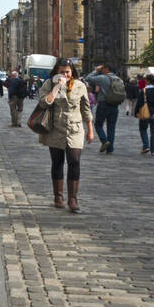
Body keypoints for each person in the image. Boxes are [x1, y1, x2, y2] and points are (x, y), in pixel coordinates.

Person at [37, 59, 95, 213]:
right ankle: (58, 196)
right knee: (57, 162)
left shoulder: (80, 85)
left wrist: (90, 129)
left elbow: (86, 109)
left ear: (72, 72)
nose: (65, 74)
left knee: (74, 161)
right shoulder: (48, 84)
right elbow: (44, 103)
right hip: (55, 128)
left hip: (75, 128)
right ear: (56, 72)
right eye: (62, 71)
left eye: (67, 72)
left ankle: (73, 198)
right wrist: (57, 86)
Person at [85, 62, 123, 155]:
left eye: (102, 69)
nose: (101, 71)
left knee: (98, 125)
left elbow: (88, 79)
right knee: (111, 127)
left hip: (104, 104)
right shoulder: (119, 79)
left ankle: (104, 141)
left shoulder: (103, 78)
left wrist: (95, 70)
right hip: (115, 105)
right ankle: (110, 149)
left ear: (106, 69)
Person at [135, 75, 154, 155]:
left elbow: (139, 103)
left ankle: (146, 146)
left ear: (148, 81)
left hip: (145, 113)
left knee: (143, 129)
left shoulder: (143, 91)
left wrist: (136, 112)